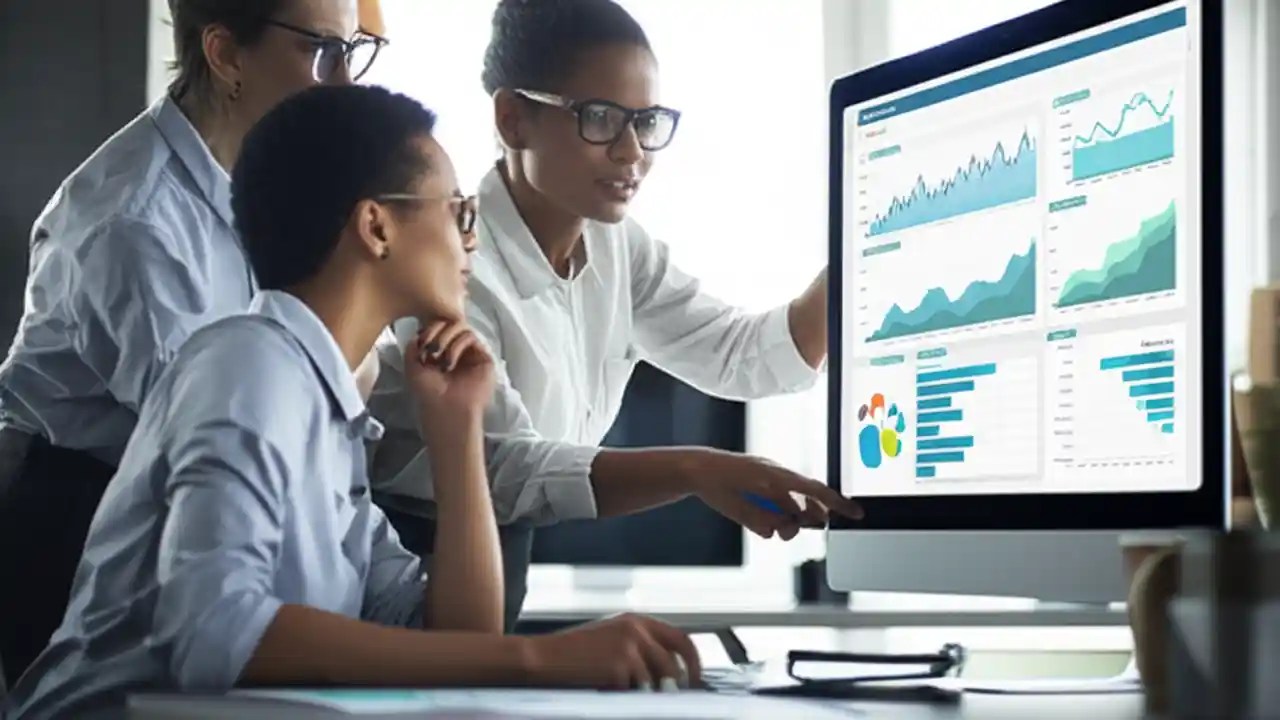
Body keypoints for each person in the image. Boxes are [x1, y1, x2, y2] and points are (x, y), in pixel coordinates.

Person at [5, 84, 703, 720]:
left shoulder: (323, 406)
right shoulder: (248, 363)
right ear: (376, 228)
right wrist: (544, 659)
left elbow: (456, 640)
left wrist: (456, 431)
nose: (471, 238)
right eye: (457, 210)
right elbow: (214, 637)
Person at [367, 0, 858, 626]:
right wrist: (693, 468)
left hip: (503, 549)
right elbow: (509, 467)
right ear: (513, 119)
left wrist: (860, 249)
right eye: (599, 118)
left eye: (646, 121)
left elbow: (742, 355)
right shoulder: (452, 266)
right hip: (410, 560)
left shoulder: (617, 248)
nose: (632, 152)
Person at [0, 0, 387, 686]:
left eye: (354, 51)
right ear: (226, 54)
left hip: (189, 497)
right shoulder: (136, 222)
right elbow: (227, 422)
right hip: (76, 512)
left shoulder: (262, 178)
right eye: (323, 52)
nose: (346, 83)